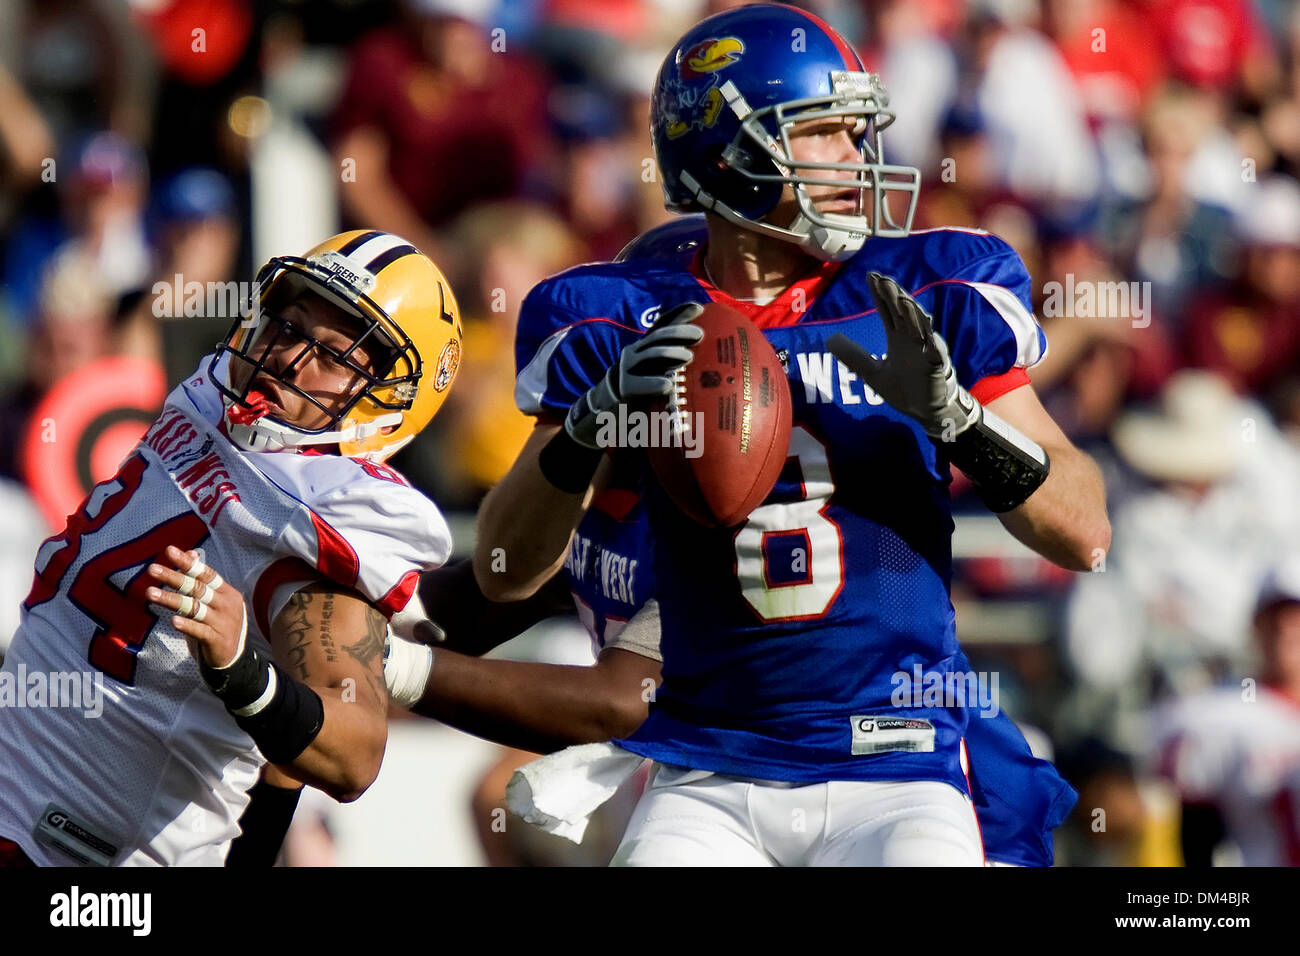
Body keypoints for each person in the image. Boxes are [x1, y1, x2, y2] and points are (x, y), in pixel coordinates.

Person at [473, 3, 1109, 866]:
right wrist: (588, 428)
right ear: (725, 154)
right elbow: (507, 570)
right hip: (707, 769)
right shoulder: (617, 314)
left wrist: (963, 423)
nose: (860, 159)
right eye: (826, 134)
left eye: (860, 132)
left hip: (900, 761)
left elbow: (1085, 533)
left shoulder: (927, 291)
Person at [0, 229, 464, 866]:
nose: (290, 360)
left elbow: (355, 753)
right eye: (290, 327)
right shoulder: (214, 393)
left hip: (85, 856)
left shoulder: (333, 508)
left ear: (389, 401)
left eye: (334, 356)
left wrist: (244, 669)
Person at [1152, 557, 1300, 866]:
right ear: (1255, 624)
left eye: (1296, 616)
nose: (1286, 629)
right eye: (1276, 615)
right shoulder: (1214, 716)